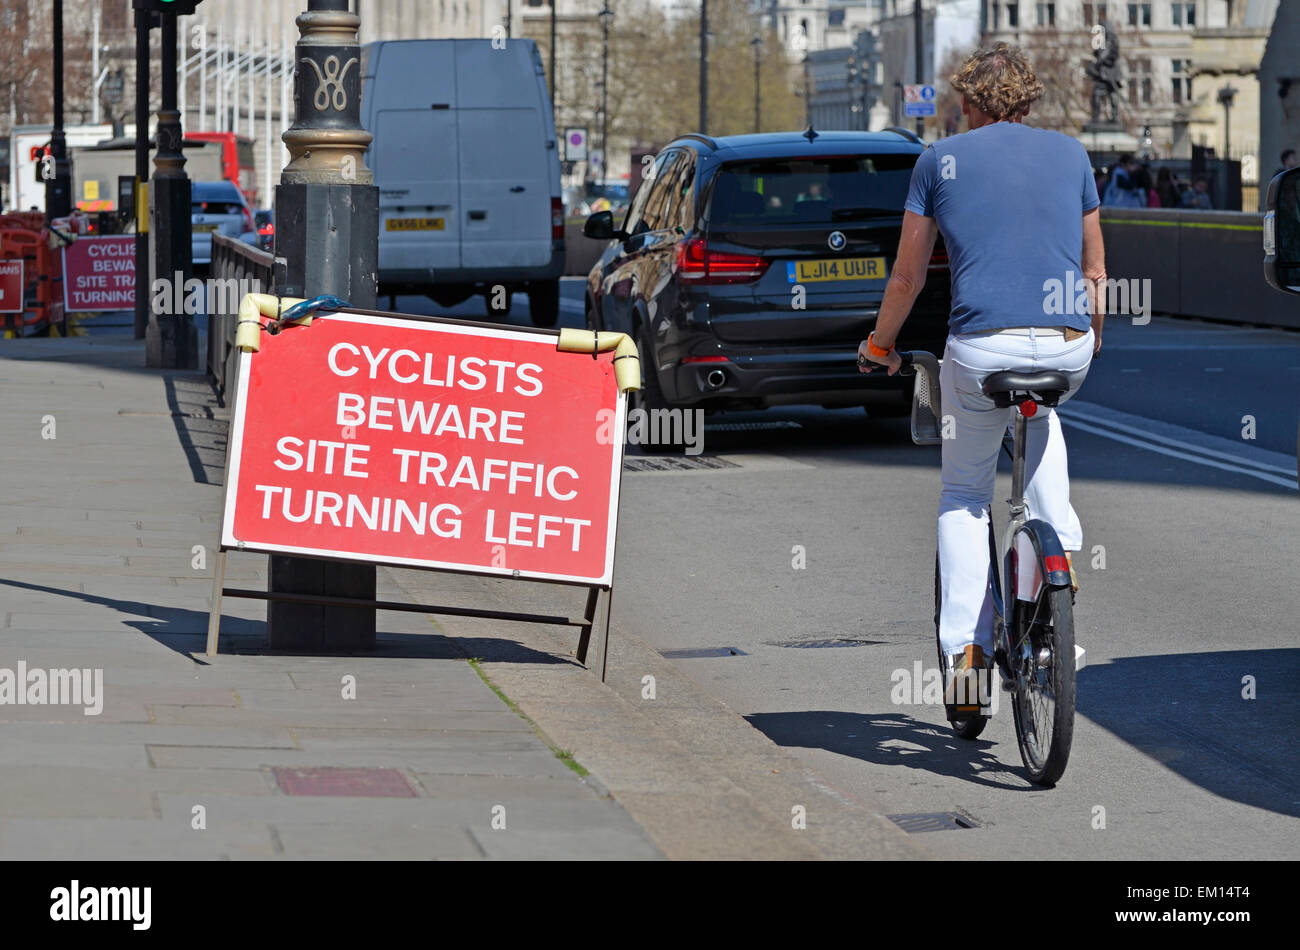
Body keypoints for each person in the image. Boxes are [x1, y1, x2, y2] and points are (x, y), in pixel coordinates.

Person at [858, 41, 1104, 716]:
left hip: (981, 350)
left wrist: (880, 345)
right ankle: (1058, 561)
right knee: (1043, 414)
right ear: (1028, 101)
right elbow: (1094, 275)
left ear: (966, 104)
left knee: (965, 494)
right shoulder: (1072, 155)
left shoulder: (939, 161)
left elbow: (907, 277)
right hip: (1066, 344)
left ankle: (968, 658)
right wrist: (1089, 343)